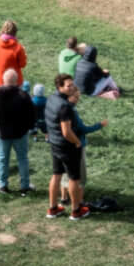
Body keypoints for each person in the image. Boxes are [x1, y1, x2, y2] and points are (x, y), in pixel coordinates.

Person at [45, 76, 101, 221]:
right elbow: (66, 132)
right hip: (67, 147)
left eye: (72, 85)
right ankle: (76, 211)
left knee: (56, 175)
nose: (71, 88)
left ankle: (53, 208)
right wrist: (77, 142)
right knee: (74, 179)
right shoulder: (65, 107)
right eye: (68, 86)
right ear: (60, 87)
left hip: (54, 144)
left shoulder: (51, 99)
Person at [0, 68, 36, 194]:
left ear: (3, 80)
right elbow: (32, 113)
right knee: (22, 159)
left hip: (2, 133)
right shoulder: (23, 95)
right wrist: (30, 126)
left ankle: (3, 185)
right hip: (20, 133)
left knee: (2, 159)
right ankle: (24, 185)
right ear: (17, 81)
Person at [0, 19, 27, 88]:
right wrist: (24, 54)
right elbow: (22, 64)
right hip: (15, 83)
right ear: (15, 32)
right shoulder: (18, 47)